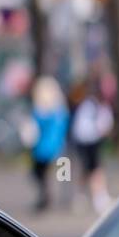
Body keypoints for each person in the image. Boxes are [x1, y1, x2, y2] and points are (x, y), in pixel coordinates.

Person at [71, 75, 114, 214]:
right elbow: (104, 125)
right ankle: (97, 198)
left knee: (89, 169)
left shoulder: (83, 103)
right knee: (94, 170)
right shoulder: (93, 104)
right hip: (90, 140)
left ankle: (84, 197)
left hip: (84, 140)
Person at [28, 77, 70, 212]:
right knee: (60, 175)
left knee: (42, 174)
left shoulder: (42, 112)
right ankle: (57, 199)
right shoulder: (60, 111)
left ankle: (46, 198)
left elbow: (33, 128)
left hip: (43, 148)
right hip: (58, 146)